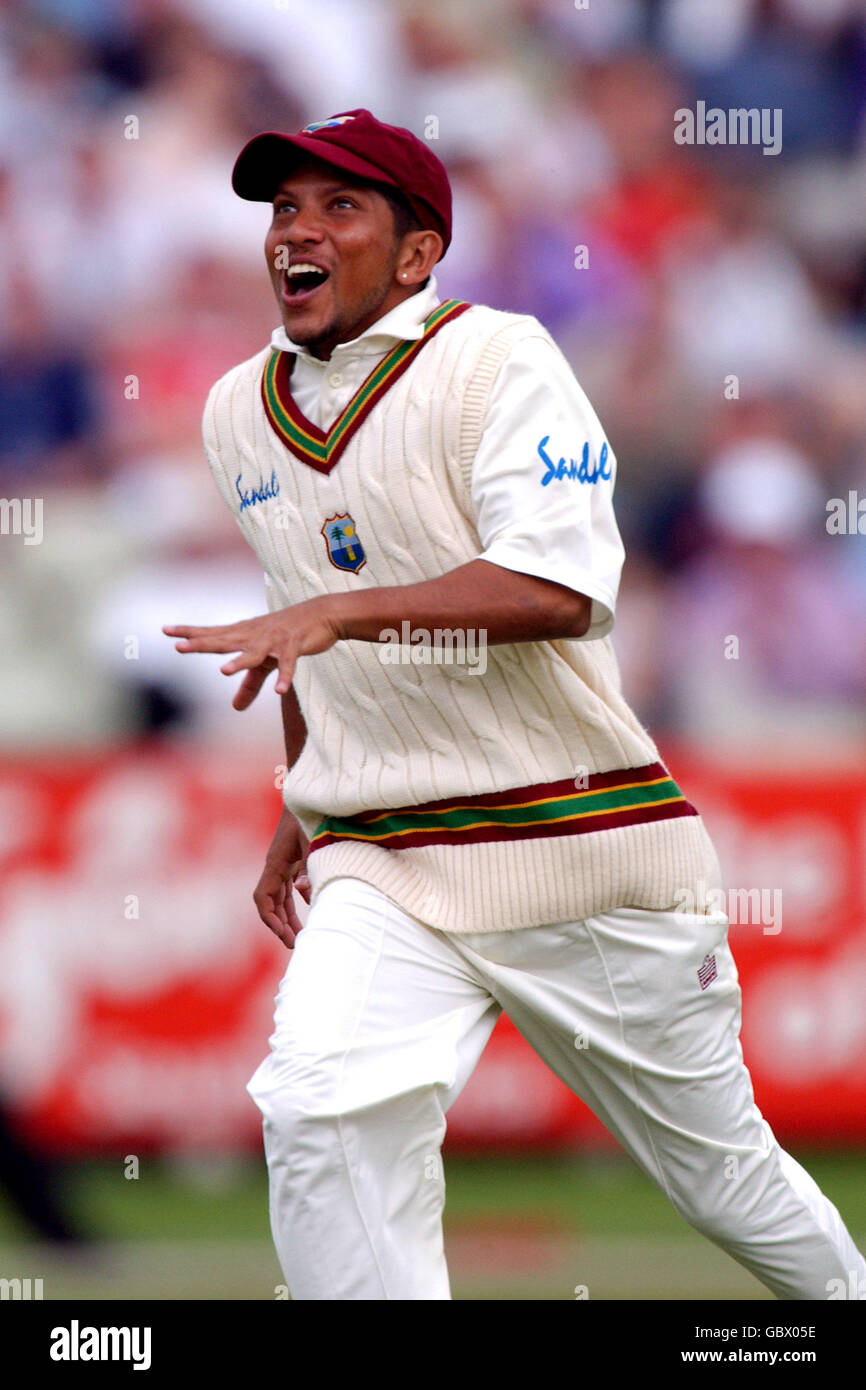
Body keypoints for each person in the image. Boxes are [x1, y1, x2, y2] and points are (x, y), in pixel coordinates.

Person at [164, 109, 866, 1302]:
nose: (298, 231)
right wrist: (304, 796)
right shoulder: (239, 408)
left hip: (578, 846)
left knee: (722, 1182)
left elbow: (554, 590)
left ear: (417, 252)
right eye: (284, 207)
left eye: (341, 208)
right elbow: (305, 611)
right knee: (320, 1108)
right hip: (383, 856)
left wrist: (338, 618)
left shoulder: (501, 361)